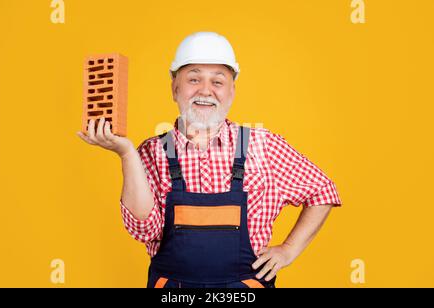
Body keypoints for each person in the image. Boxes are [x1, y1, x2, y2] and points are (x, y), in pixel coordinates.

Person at [77, 31, 342, 288]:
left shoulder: (263, 146)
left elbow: (322, 190)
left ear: (231, 91)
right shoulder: (151, 152)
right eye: (194, 79)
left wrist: (288, 250)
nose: (206, 90)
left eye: (217, 81)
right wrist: (126, 154)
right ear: (174, 88)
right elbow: (145, 230)